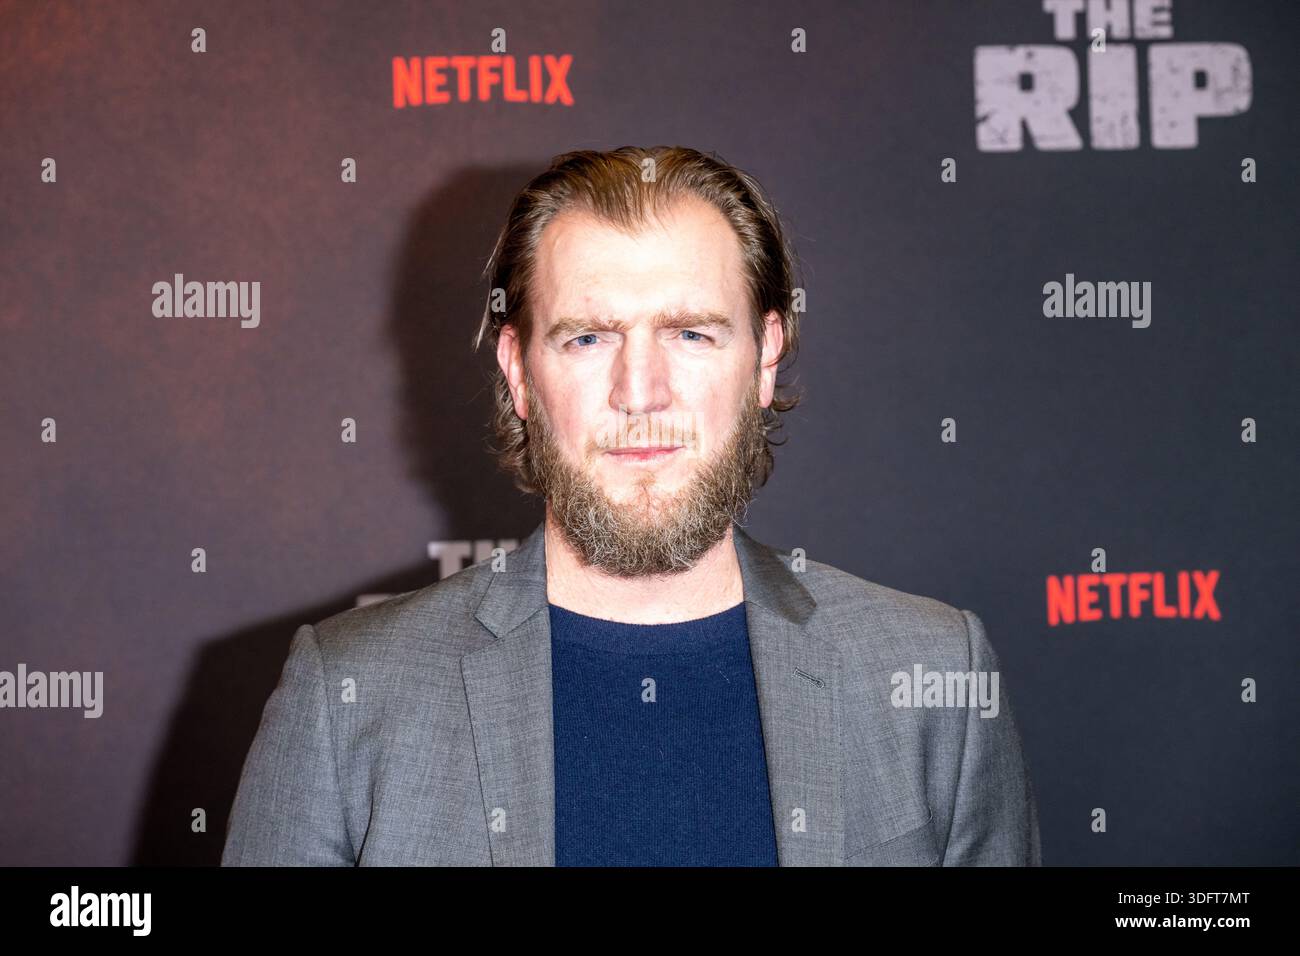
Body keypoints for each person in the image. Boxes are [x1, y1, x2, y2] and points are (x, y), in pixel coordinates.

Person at [221, 145, 1041, 866]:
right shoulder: (347, 695)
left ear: (765, 359)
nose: (639, 393)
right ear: (518, 371)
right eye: (588, 337)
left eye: (690, 333)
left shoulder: (933, 677)